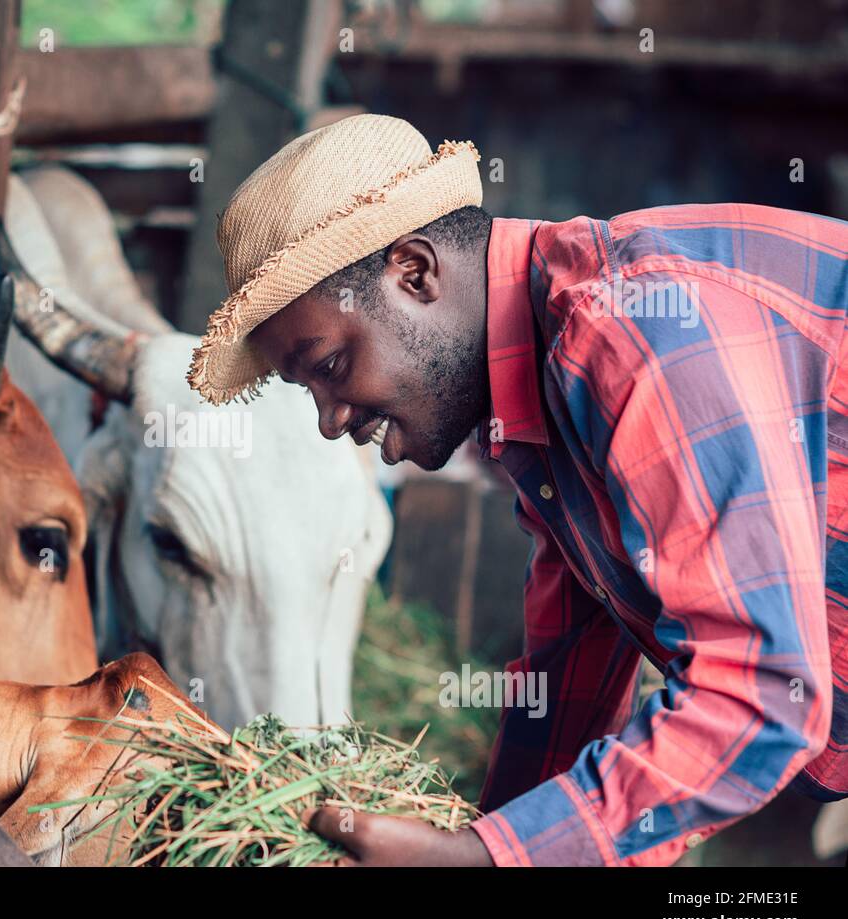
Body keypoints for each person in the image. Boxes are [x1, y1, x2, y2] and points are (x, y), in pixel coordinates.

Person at [187, 113, 846, 865]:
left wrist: (485, 857)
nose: (330, 424)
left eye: (330, 367)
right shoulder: (542, 412)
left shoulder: (628, 331)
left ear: (415, 273)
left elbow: (760, 694)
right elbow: (570, 676)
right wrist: (484, 837)